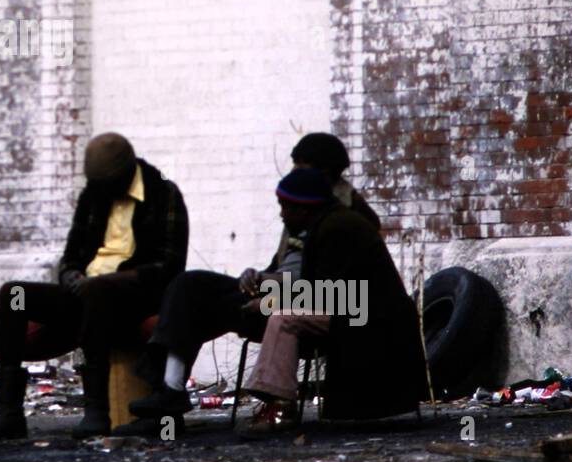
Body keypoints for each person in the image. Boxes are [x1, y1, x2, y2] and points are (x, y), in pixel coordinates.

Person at [117, 132, 380, 435]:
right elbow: (287, 259)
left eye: (302, 167)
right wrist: (257, 274)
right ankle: (169, 395)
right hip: (275, 289)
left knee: (195, 306)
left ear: (326, 171)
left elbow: (329, 289)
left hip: (301, 301)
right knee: (189, 286)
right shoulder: (302, 201)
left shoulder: (342, 216)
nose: (294, 174)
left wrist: (271, 289)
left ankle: (167, 410)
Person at [0, 132, 189, 441]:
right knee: (14, 294)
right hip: (86, 294)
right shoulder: (94, 196)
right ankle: (9, 411)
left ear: (125, 174)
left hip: (139, 295)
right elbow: (70, 257)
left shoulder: (163, 194)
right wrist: (71, 275)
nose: (104, 191)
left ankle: (97, 411)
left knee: (97, 291)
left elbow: (170, 266)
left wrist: (113, 280)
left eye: (109, 185)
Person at [238, 167, 427, 432]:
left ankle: (280, 409)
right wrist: (264, 283)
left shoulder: (336, 229)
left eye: (285, 207)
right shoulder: (330, 223)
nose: (281, 214)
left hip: (371, 316)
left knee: (284, 318)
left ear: (303, 208)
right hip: (358, 308)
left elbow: (326, 293)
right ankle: (277, 405)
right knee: (284, 315)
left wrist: (268, 303)